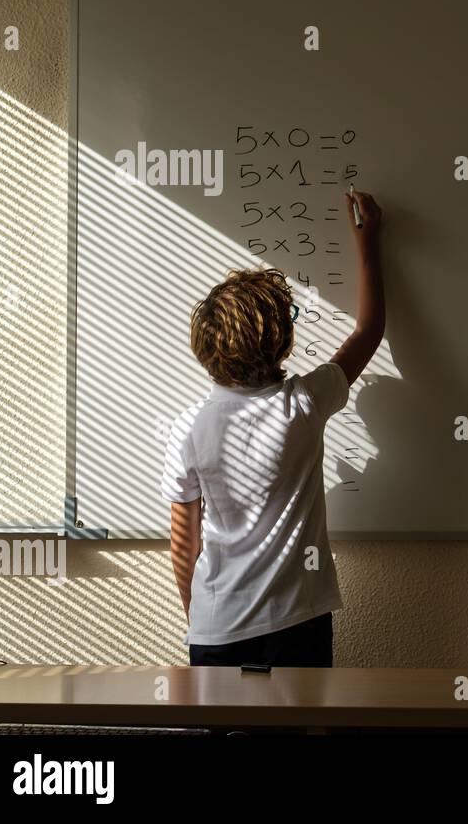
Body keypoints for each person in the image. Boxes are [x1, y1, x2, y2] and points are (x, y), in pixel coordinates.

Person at [163, 189, 384, 667]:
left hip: (216, 626)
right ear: (281, 342)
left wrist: (202, 616)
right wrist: (368, 246)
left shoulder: (187, 429)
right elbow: (368, 332)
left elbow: (185, 547)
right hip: (296, 623)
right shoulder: (304, 403)